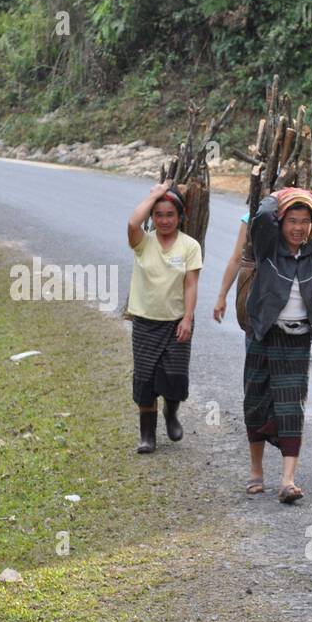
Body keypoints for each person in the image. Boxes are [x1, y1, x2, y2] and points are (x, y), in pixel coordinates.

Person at [243, 188, 312, 503]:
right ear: (281, 222)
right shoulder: (268, 248)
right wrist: (280, 195)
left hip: (298, 339)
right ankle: (256, 473)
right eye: (292, 220)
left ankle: (288, 481)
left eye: (305, 221)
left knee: (292, 408)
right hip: (263, 334)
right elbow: (261, 216)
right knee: (256, 404)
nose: (298, 227)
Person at [126, 180, 202, 453]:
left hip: (176, 322)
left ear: (180, 217)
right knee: (145, 379)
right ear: (152, 217)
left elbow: (191, 284)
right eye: (158, 215)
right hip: (146, 322)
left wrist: (187, 319)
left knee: (175, 378)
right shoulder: (142, 242)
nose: (164, 220)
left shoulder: (189, 246)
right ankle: (147, 436)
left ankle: (171, 414)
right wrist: (156, 195)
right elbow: (134, 223)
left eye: (170, 214)